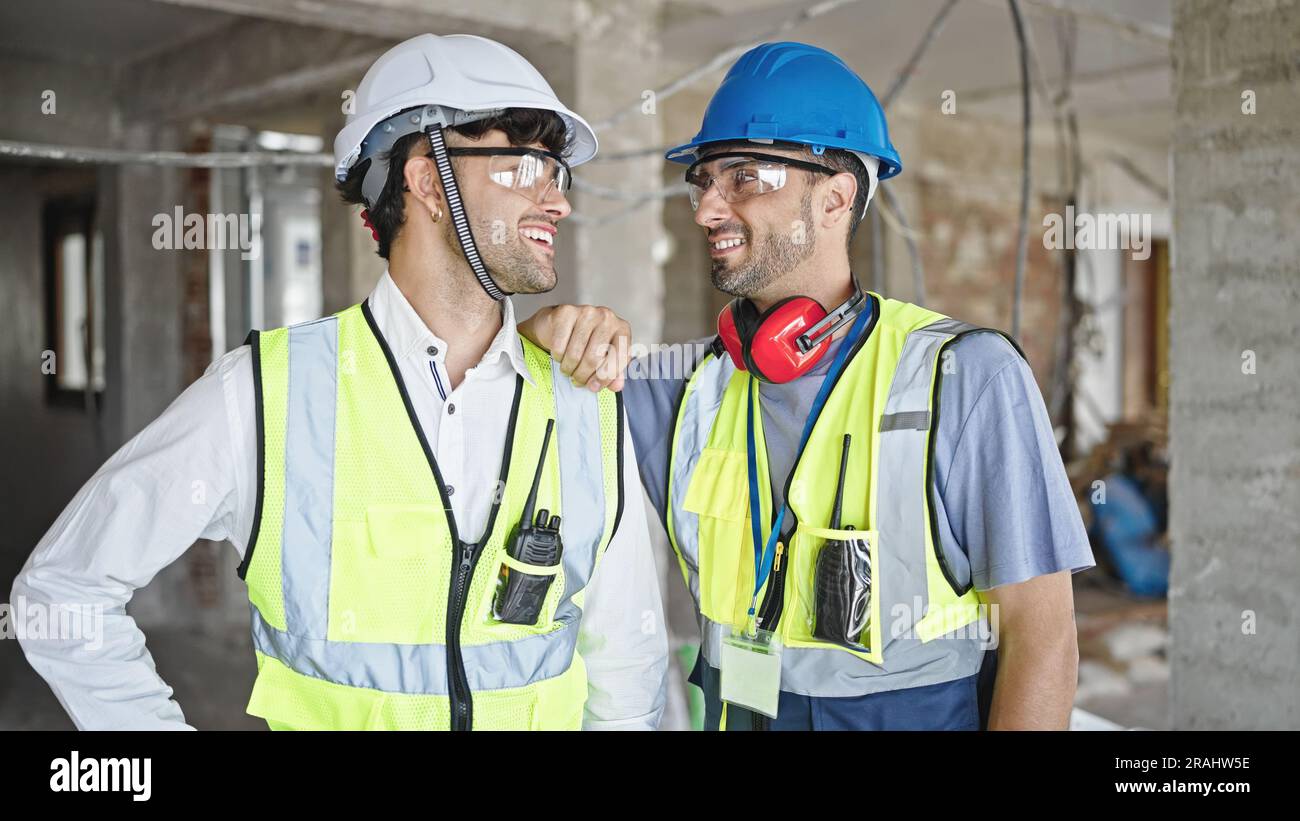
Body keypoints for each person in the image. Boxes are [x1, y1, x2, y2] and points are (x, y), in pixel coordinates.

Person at [10, 33, 667, 731]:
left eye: (556, 173)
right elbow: (61, 590)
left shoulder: (583, 398)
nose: (556, 200)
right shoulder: (267, 395)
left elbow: (627, 668)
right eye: (523, 167)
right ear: (426, 179)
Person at [527, 41, 1095, 731]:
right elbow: (519, 393)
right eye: (703, 181)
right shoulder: (681, 390)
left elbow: (1043, 640)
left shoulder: (964, 377)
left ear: (835, 198)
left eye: (744, 178)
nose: (707, 208)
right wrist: (546, 329)